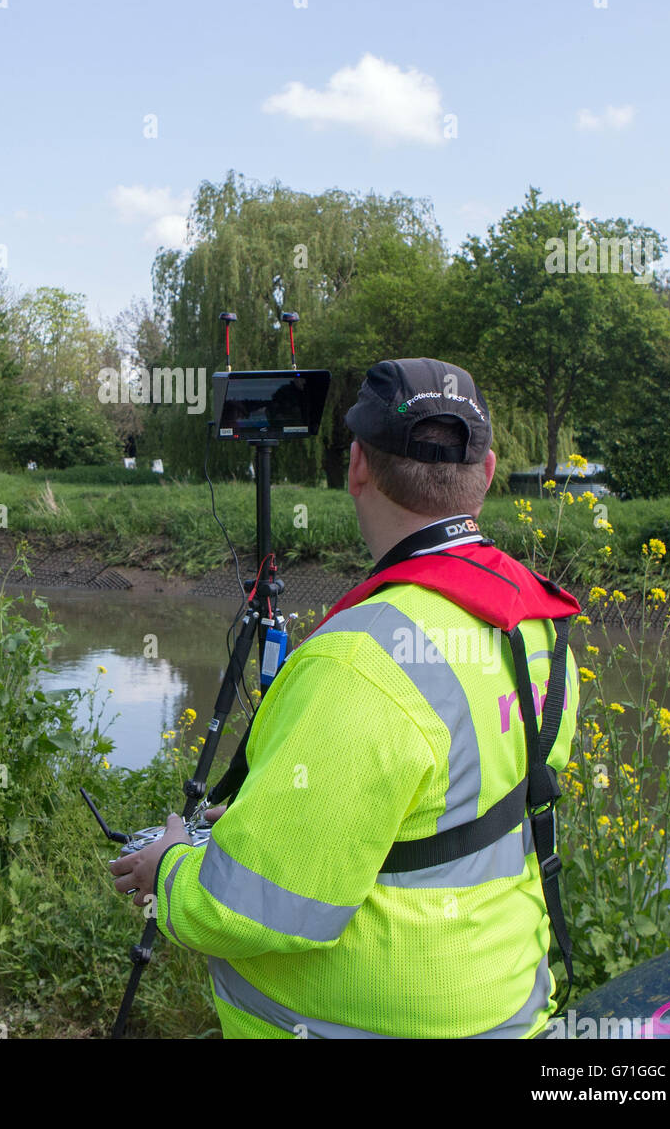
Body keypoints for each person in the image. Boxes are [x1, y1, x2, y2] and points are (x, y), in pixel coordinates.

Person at [109, 358, 580, 1038]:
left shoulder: (362, 659)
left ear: (357, 465)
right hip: (505, 1006)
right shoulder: (537, 619)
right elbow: (459, 797)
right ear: (486, 472)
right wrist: (276, 807)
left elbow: (252, 907)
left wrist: (170, 869)